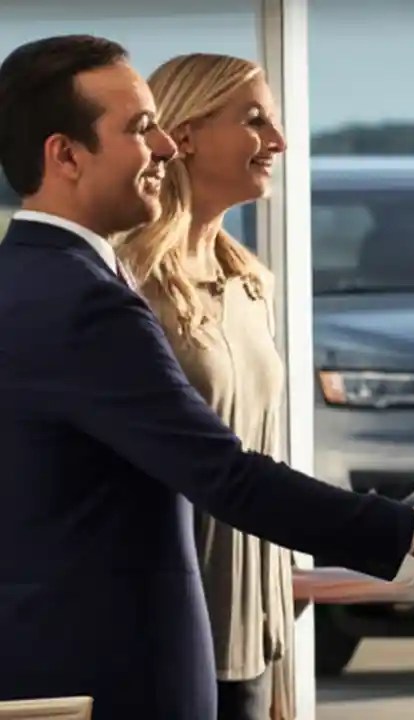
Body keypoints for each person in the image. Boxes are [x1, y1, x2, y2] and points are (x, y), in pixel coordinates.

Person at [0, 35, 414, 720]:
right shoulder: (87, 299)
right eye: (139, 129)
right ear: (64, 155)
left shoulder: (30, 277)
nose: (163, 148)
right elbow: (228, 476)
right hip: (114, 679)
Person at [114, 53, 292, 720]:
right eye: (255, 121)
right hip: (163, 632)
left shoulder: (252, 282)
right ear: (182, 135)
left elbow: (264, 460)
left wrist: (281, 656)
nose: (277, 142)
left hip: (254, 632)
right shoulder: (127, 283)